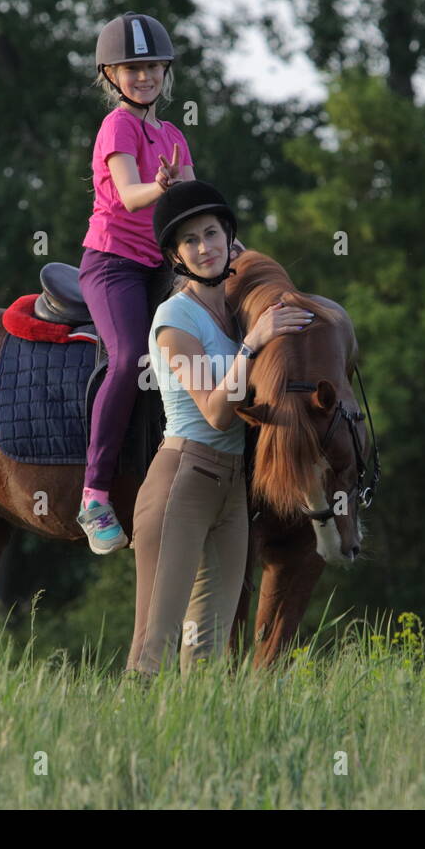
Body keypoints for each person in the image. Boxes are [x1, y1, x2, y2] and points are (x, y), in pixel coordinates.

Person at [126, 180, 313, 677]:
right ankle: (126, 748)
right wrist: (252, 346)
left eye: (212, 234)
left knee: (208, 647)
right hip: (183, 478)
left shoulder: (232, 315)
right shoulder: (174, 317)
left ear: (231, 239)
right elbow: (215, 410)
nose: (205, 247)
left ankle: (194, 750)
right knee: (155, 644)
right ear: (175, 254)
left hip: (233, 487)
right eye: (191, 240)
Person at [74, 11, 197, 554]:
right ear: (112, 76)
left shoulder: (173, 135)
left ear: (164, 71)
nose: (144, 77)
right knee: (128, 358)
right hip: (113, 262)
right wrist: (161, 184)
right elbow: (128, 195)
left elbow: (189, 206)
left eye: (151, 67)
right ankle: (95, 496)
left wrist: (224, 241)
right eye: (132, 68)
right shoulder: (117, 125)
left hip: (162, 263)